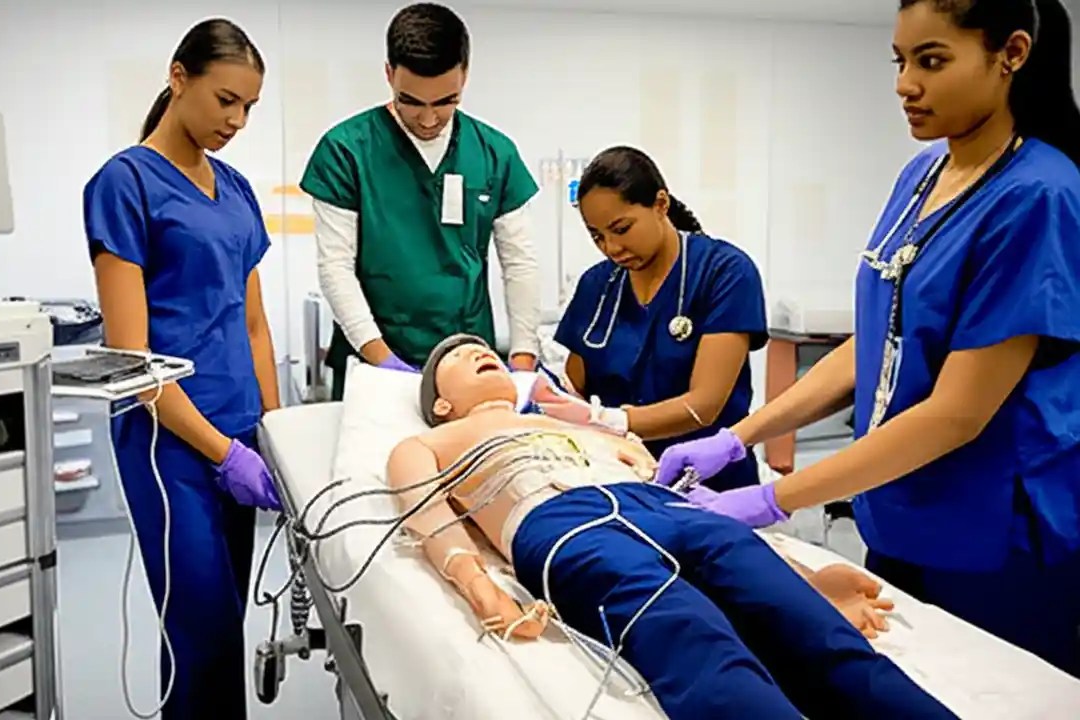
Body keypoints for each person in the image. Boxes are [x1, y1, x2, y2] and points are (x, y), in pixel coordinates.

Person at [653, 0, 1080, 678]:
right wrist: (741, 438)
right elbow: (878, 341)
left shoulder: (1039, 196)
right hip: (900, 514)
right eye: (900, 60)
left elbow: (957, 414)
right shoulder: (920, 179)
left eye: (931, 61)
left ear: (1013, 55)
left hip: (993, 535)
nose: (904, 84)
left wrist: (773, 498)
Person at [382, 333, 956, 720]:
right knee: (696, 643)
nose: (480, 350)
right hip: (562, 525)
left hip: (662, 509)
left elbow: (681, 501)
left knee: (823, 639)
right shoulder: (430, 442)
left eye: (485, 346)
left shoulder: (596, 434)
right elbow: (430, 520)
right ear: (441, 405)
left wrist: (803, 579)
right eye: (458, 356)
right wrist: (481, 589)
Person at [84, 18, 282, 718]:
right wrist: (222, 450)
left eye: (249, 107)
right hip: (169, 441)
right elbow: (134, 363)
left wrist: (273, 431)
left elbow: (252, 323)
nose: (237, 120)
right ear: (179, 78)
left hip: (237, 434)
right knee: (203, 634)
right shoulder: (125, 183)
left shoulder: (234, 188)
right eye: (226, 99)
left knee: (223, 622)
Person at [300, 2, 542, 399]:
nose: (429, 119)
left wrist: (522, 361)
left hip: (468, 363)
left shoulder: (495, 153)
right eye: (411, 101)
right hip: (374, 362)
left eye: (446, 101)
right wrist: (381, 360)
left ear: (465, 76)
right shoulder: (347, 151)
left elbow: (520, 262)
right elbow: (335, 267)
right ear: (389, 74)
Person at [537, 147, 767, 492]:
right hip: (619, 478)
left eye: (622, 228)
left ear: (661, 204)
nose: (611, 248)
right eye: (597, 236)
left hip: (711, 483)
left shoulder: (725, 273)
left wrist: (612, 421)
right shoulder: (597, 286)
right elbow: (573, 393)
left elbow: (703, 406)